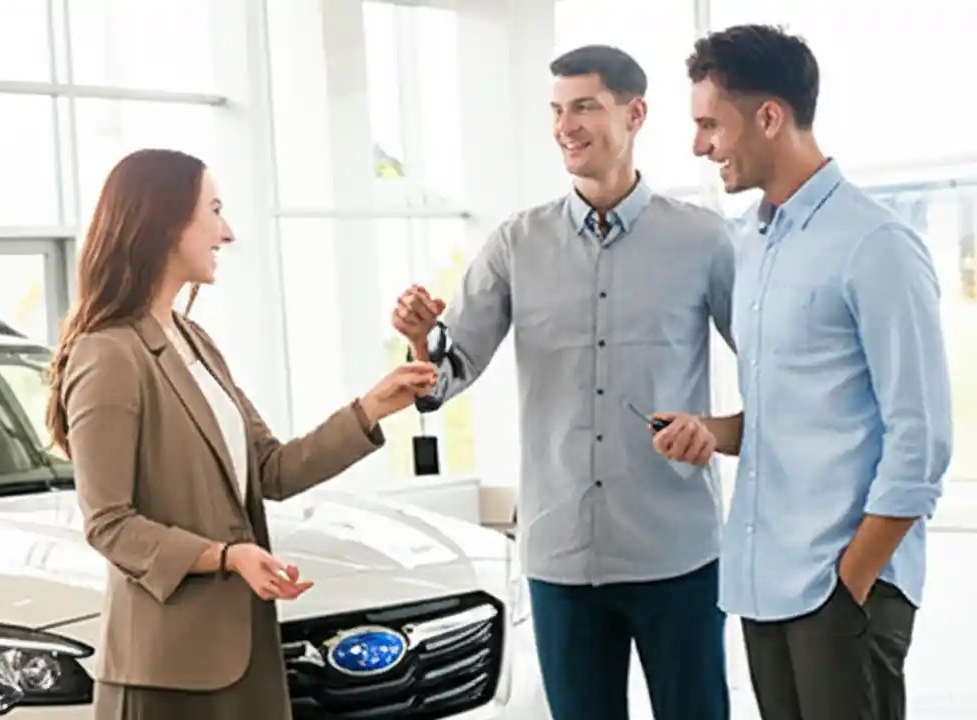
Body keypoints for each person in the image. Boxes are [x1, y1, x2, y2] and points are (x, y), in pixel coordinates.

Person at [392, 45, 734, 720]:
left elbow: (772, 363)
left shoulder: (704, 242)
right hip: (559, 557)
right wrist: (417, 340)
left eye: (584, 106)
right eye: (556, 110)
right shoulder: (516, 244)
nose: (565, 126)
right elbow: (444, 376)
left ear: (634, 114)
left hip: (676, 552)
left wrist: (718, 433)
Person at [46, 148, 437, 720]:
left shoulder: (194, 340)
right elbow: (110, 525)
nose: (225, 233)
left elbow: (272, 470)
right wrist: (225, 557)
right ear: (163, 221)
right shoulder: (108, 354)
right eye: (214, 210)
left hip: (244, 657)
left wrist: (370, 409)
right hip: (166, 673)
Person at [652, 24, 953, 720]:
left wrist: (852, 579)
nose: (700, 146)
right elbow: (792, 415)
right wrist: (708, 430)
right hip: (765, 583)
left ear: (768, 117)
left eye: (709, 125)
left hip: (841, 589)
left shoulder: (875, 244)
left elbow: (923, 439)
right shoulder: (751, 246)